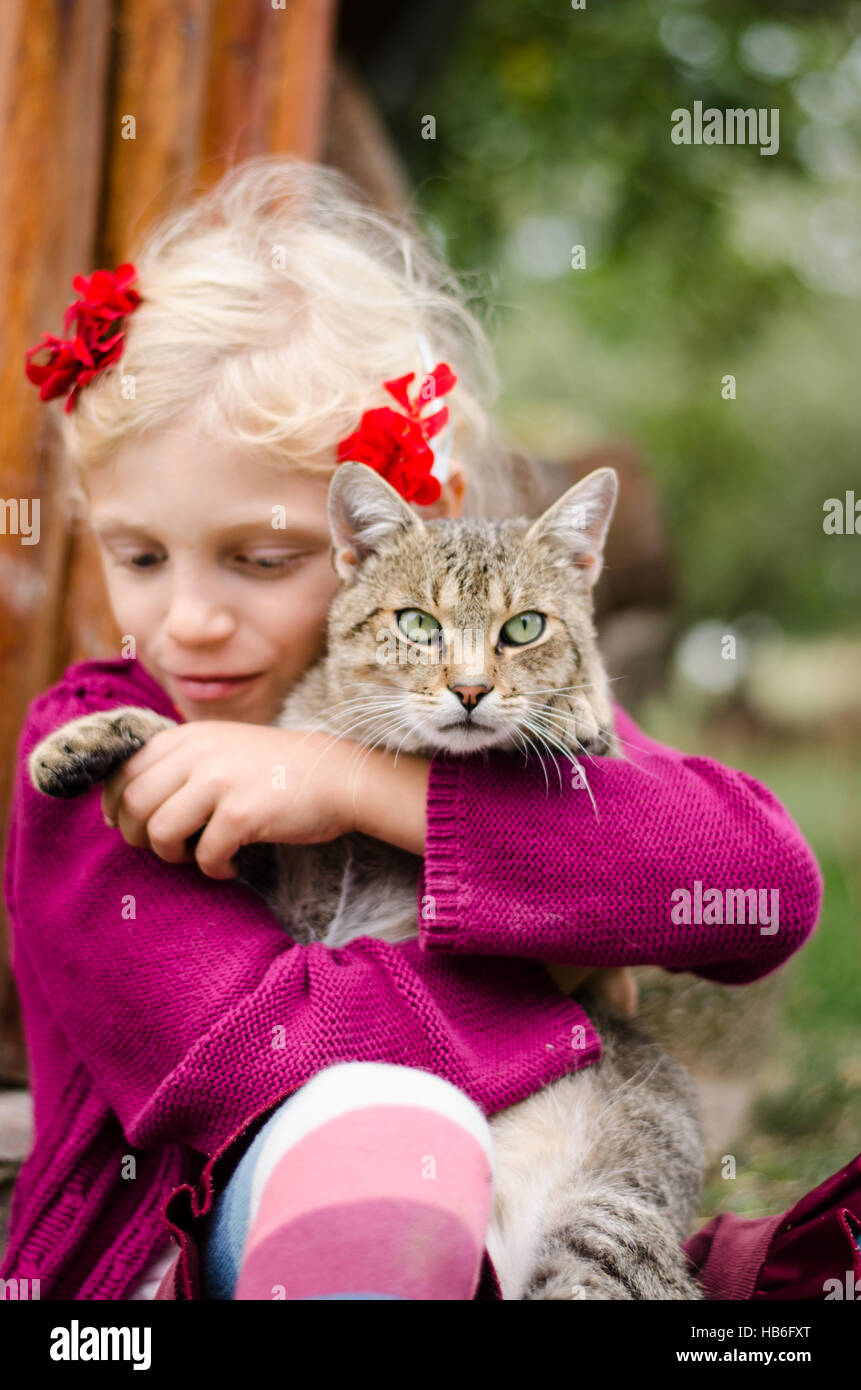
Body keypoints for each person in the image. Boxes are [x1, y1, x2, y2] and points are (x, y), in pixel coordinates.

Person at [2, 156, 827, 1301]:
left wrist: (355, 785)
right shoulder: (95, 752)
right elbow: (256, 1053)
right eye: (139, 555)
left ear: (381, 547)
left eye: (263, 557)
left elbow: (759, 883)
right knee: (381, 1121)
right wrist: (559, 977)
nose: (189, 618)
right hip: (186, 1258)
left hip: (538, 1218)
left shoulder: (498, 704)